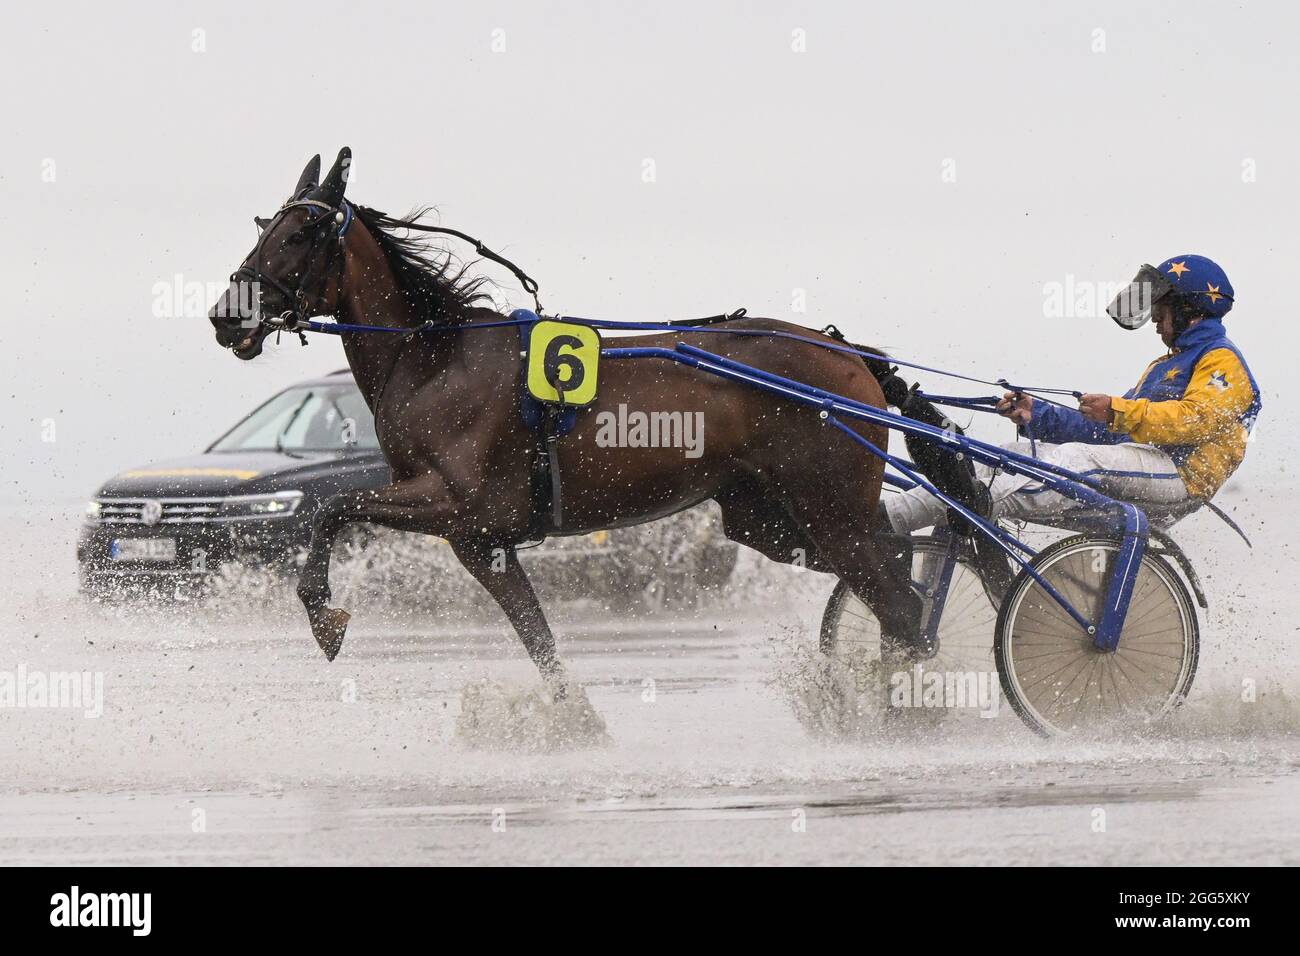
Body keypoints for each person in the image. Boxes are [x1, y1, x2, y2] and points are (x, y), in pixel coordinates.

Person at [884, 254, 1261, 535]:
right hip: (1145, 464)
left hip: (1181, 475)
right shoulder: (1161, 367)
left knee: (1078, 459)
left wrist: (1117, 410)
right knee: (1006, 458)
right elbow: (1111, 435)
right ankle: (887, 519)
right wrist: (1037, 415)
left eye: (1160, 315)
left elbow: (1195, 421)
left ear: (1189, 310)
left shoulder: (1222, 361)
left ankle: (977, 502)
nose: (1156, 326)